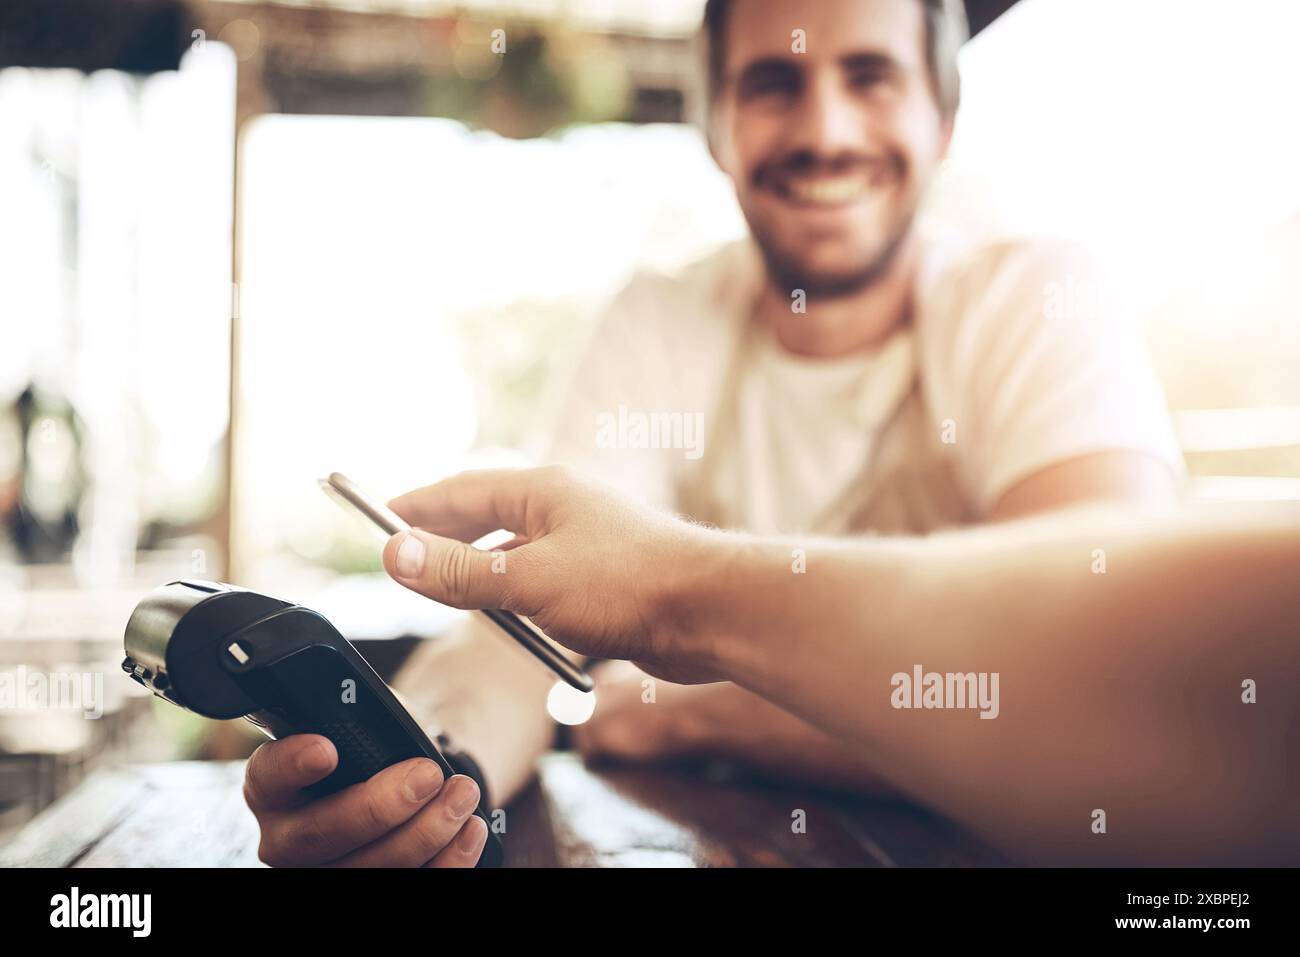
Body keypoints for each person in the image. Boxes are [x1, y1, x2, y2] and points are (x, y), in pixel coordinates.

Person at [243, 0, 1185, 867]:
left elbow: (1107, 685)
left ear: (943, 121)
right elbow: (520, 636)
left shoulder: (1035, 301)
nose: (824, 131)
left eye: (872, 77)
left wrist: (693, 717)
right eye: (774, 82)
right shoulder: (658, 321)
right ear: (717, 128)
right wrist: (429, 773)